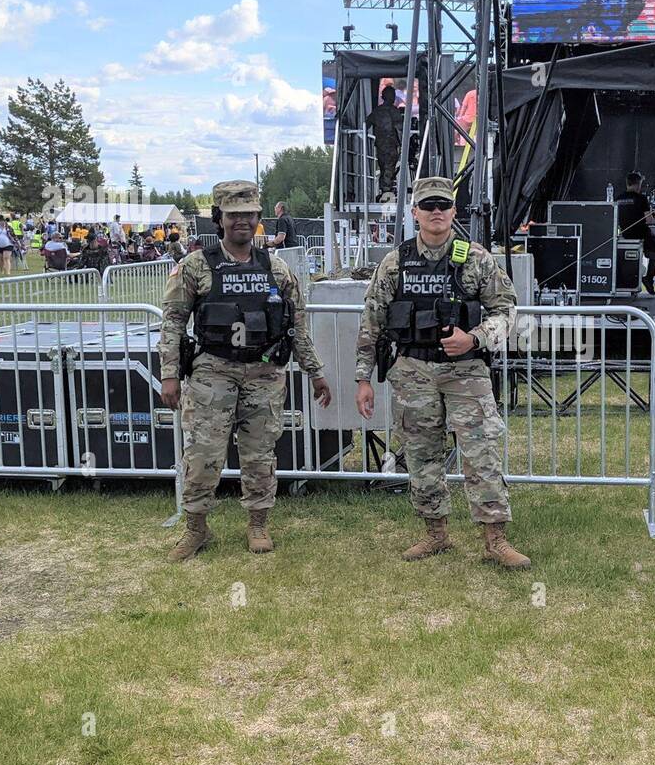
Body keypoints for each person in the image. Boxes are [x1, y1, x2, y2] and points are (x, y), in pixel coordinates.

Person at [354, 176, 530, 569]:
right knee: (421, 455)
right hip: (413, 371)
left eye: (443, 205)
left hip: (465, 371)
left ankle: (495, 539)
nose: (436, 212)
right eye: (428, 205)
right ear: (414, 212)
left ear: (453, 211)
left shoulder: (476, 258)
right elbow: (372, 321)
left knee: (481, 453)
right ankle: (435, 534)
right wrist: (363, 378)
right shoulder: (396, 261)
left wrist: (476, 339)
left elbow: (507, 310)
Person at [160, 180, 332, 562]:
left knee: (260, 454)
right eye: (234, 215)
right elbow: (172, 323)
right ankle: (196, 529)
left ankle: (258, 523)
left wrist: (316, 372)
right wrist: (169, 374)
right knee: (204, 455)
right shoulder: (196, 265)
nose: (242, 221)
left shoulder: (277, 267)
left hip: (264, 373)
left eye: (250, 215)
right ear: (219, 219)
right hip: (211, 374)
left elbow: (297, 326)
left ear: (258, 219)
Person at [617, 171, 655, 294]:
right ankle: (648, 278)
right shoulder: (641, 198)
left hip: (625, 234)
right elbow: (648, 220)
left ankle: (628, 281)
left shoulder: (618, 198)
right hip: (641, 232)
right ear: (638, 184)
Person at [366, 84, 404, 202]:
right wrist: (403, 144)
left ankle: (386, 190)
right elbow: (400, 129)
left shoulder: (377, 111)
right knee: (388, 169)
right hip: (391, 145)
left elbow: (366, 124)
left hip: (380, 145)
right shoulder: (394, 111)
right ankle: (386, 192)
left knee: (384, 168)